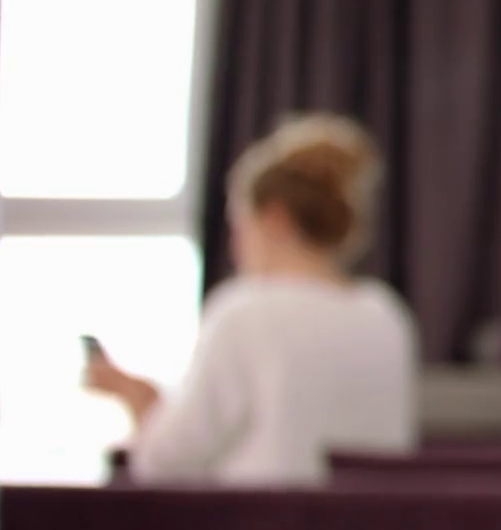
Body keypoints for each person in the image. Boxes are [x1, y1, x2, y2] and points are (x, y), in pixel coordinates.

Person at [86, 114, 419, 485]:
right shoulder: (386, 316)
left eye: (239, 224)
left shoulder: (244, 314)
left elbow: (166, 460)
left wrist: (138, 397)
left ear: (274, 217)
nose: (234, 244)